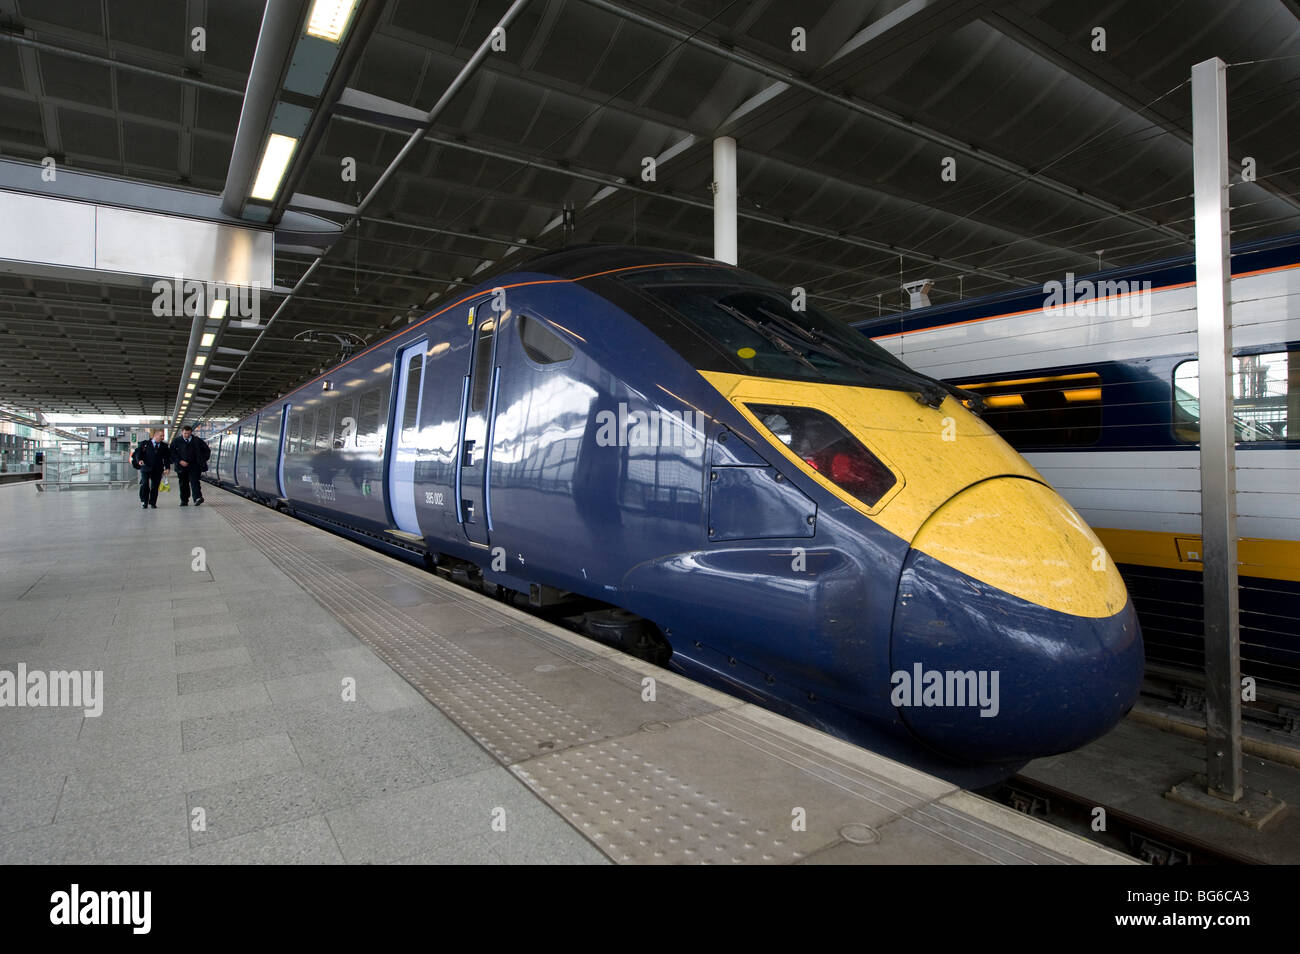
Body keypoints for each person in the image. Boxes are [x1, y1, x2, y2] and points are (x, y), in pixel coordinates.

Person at [169, 424, 210, 506]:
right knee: (183, 484)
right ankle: (184, 500)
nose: (187, 435)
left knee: (195, 482)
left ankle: (197, 498)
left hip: (194, 466)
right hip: (181, 466)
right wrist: (179, 461)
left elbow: (207, 450)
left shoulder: (197, 441)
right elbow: (172, 453)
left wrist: (202, 460)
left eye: (188, 433)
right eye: (185, 433)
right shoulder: (176, 441)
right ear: (182, 432)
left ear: (191, 432)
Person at [131, 428, 171, 509]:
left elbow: (166, 458)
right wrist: (139, 460)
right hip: (146, 468)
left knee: (155, 486)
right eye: (161, 436)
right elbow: (138, 453)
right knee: (145, 484)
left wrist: (167, 468)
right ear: (155, 436)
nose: (162, 437)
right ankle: (144, 501)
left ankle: (153, 502)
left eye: (163, 436)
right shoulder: (145, 444)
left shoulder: (164, 446)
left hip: (158, 469)